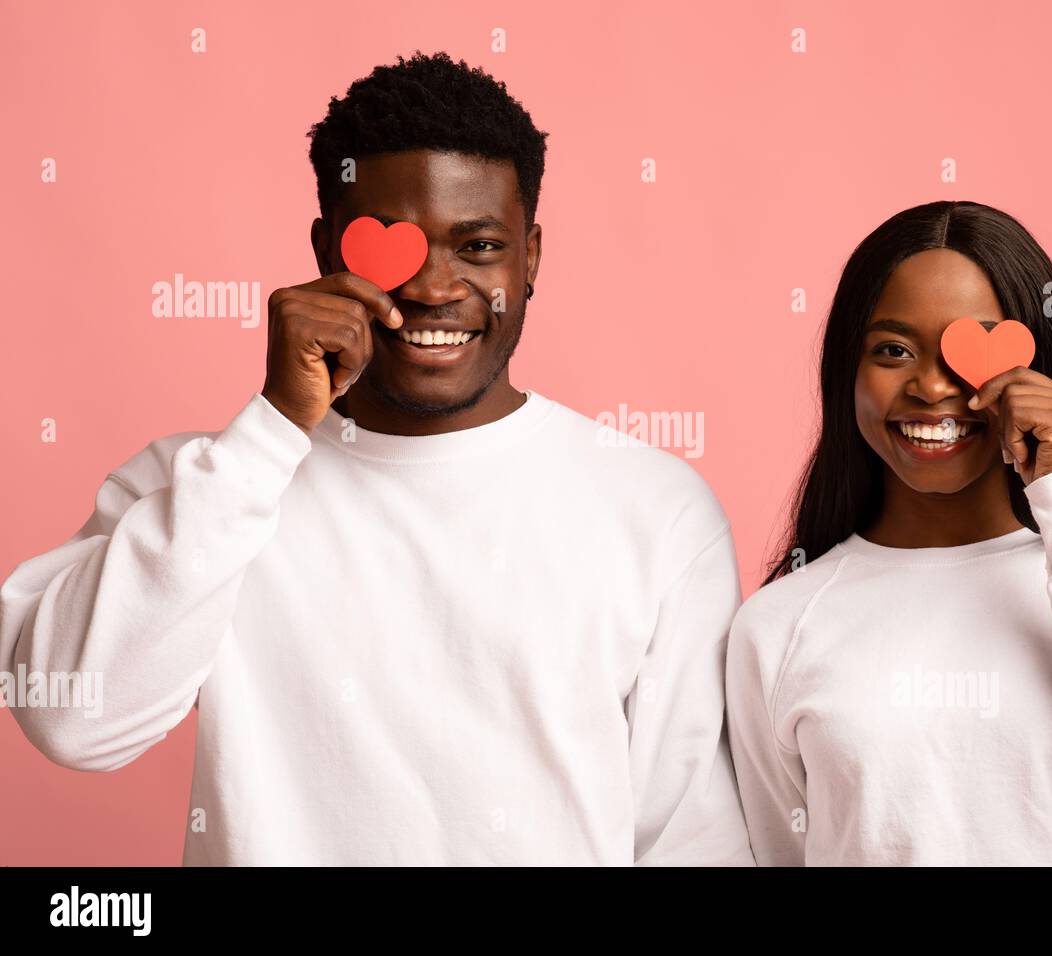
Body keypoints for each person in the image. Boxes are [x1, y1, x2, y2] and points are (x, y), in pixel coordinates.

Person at [0, 51, 754, 866]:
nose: (434, 287)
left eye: (478, 246)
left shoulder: (656, 510)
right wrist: (274, 429)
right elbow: (76, 723)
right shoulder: (202, 486)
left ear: (530, 257)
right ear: (325, 250)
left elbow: (692, 840)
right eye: (391, 247)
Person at [725, 200, 1052, 866]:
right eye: (892, 349)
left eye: (968, 352)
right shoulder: (777, 625)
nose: (930, 386)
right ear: (846, 371)